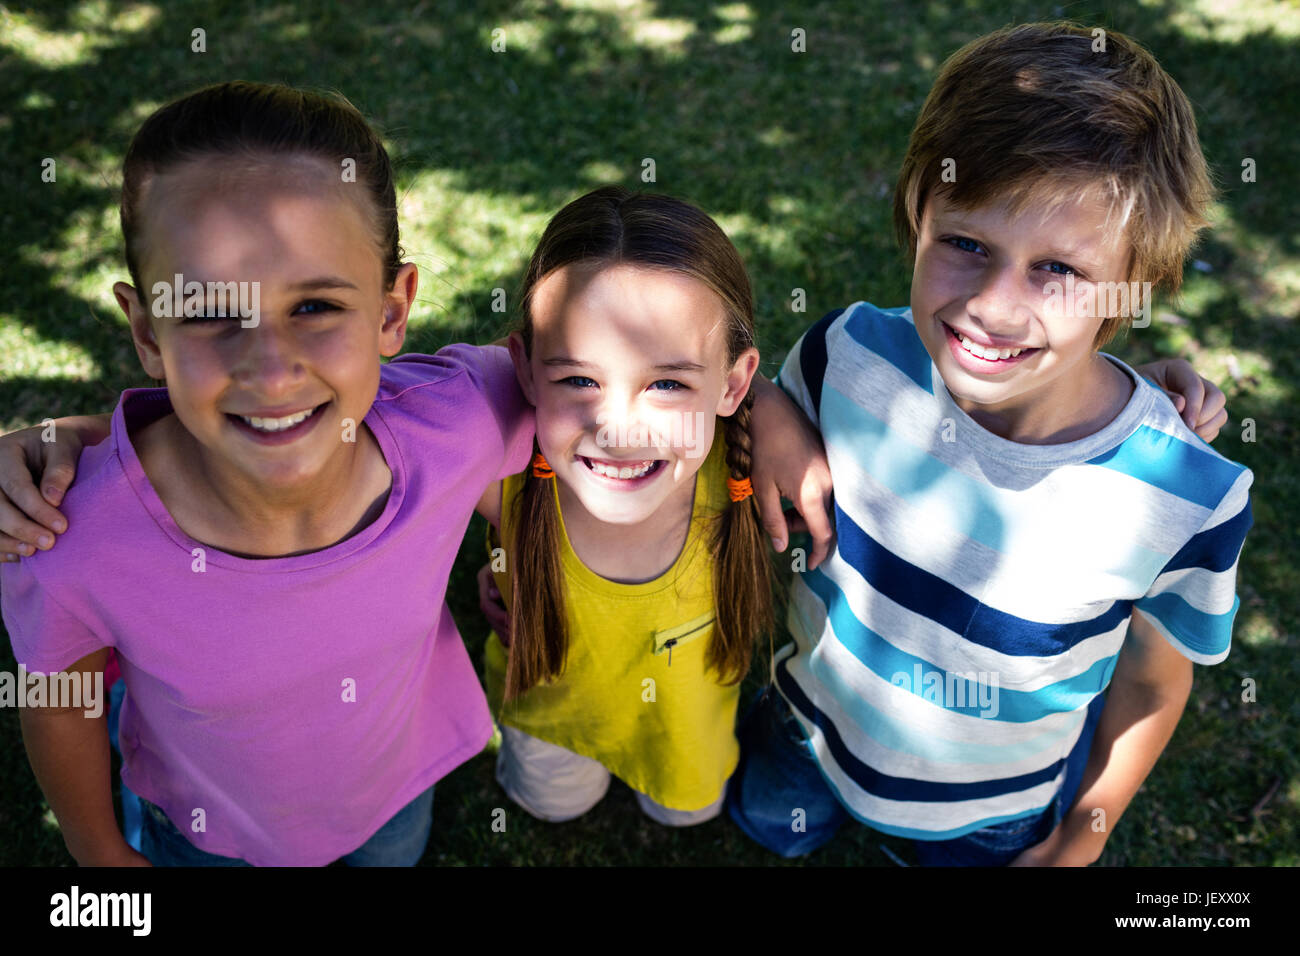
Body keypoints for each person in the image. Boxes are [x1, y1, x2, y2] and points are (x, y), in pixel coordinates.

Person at [723, 22, 1253, 866]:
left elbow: (1154, 678)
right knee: (764, 822)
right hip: (806, 729)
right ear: (916, 216)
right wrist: (763, 402)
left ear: (1132, 286)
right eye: (966, 244)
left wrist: (1081, 839)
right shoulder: (844, 356)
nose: (994, 306)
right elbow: (720, 407)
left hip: (988, 814)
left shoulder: (1184, 499)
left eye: (1058, 271)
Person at [0, 81, 539, 866]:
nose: (271, 368)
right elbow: (56, 698)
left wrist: (767, 417)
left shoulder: (460, 419)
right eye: (213, 312)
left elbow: (603, 397)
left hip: (391, 796)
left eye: (316, 306)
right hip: (204, 832)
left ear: (392, 313)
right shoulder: (70, 537)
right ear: (148, 334)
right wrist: (97, 848)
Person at [476, 186, 772, 824]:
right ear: (524, 370)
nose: (619, 430)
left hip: (684, 732)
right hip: (551, 717)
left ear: (734, 384)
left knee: (685, 812)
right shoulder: (496, 478)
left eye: (666, 383)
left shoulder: (750, 479)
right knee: (550, 806)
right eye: (580, 379)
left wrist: (782, 420)